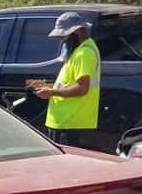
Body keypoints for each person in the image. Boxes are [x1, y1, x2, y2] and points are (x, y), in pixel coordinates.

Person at [26, 12, 101, 147]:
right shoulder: (81, 51)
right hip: (67, 121)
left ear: (77, 31)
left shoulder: (83, 53)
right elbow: (71, 84)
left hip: (70, 123)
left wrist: (52, 93)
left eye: (63, 36)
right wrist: (48, 87)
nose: (62, 40)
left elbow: (81, 88)